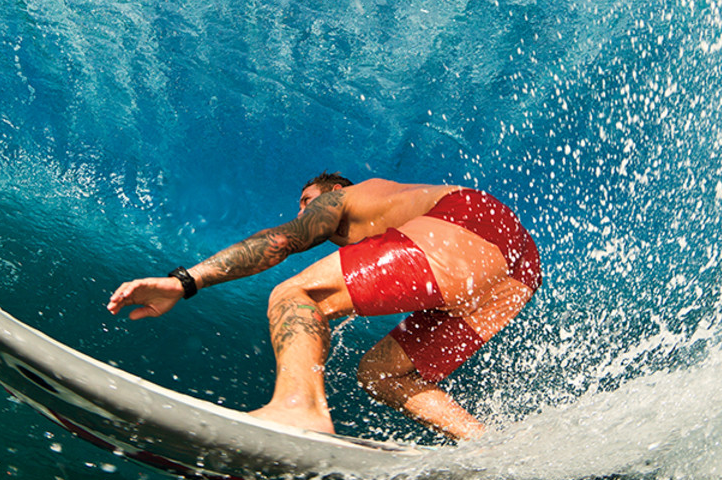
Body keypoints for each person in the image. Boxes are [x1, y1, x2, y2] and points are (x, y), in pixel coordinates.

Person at [106, 173, 541, 441]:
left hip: (469, 220)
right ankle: (482, 441)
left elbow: (281, 241)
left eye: (307, 199)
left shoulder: (345, 199)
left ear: (333, 191)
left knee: (295, 294)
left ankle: (299, 410)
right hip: (521, 269)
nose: (304, 210)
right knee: (381, 374)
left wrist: (184, 281)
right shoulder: (391, 219)